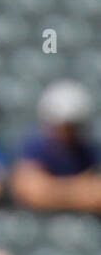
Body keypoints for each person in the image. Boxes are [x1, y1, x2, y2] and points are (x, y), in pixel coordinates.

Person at [8, 80, 101, 213]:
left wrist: (51, 189)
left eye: (72, 126)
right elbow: (29, 192)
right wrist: (79, 188)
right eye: (63, 126)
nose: (67, 132)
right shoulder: (36, 148)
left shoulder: (88, 151)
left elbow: (97, 196)